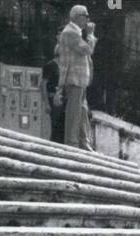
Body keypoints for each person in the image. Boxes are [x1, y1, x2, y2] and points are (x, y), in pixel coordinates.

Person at [57, 5, 96, 150]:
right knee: (74, 112)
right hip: (74, 78)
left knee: (83, 111)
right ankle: (71, 143)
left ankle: (84, 142)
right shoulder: (69, 32)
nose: (87, 19)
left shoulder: (76, 32)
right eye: (85, 16)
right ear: (77, 16)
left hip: (81, 80)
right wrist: (91, 35)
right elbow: (87, 49)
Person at [43, 43, 66, 143]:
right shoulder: (50, 65)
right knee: (55, 126)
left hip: (63, 98)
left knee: (63, 126)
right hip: (53, 99)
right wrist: (47, 103)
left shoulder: (64, 66)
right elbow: (43, 85)